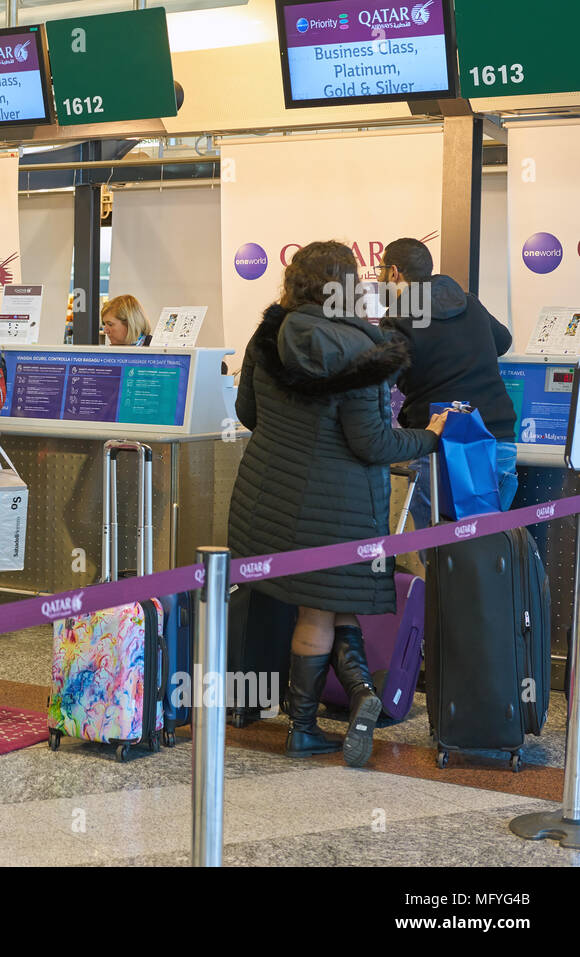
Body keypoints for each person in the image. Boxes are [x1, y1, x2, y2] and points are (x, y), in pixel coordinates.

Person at [226, 241, 447, 767]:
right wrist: (429, 436)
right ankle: (302, 729)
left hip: (267, 498)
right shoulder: (363, 350)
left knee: (326, 602)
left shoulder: (269, 335)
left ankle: (362, 696)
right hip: (338, 505)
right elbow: (373, 443)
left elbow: (248, 411)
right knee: (320, 610)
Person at [379, 237, 518, 527]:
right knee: (486, 555)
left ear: (394, 272)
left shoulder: (400, 316)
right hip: (497, 439)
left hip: (443, 446)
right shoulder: (469, 303)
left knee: (443, 561)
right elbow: (503, 341)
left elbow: (380, 376)